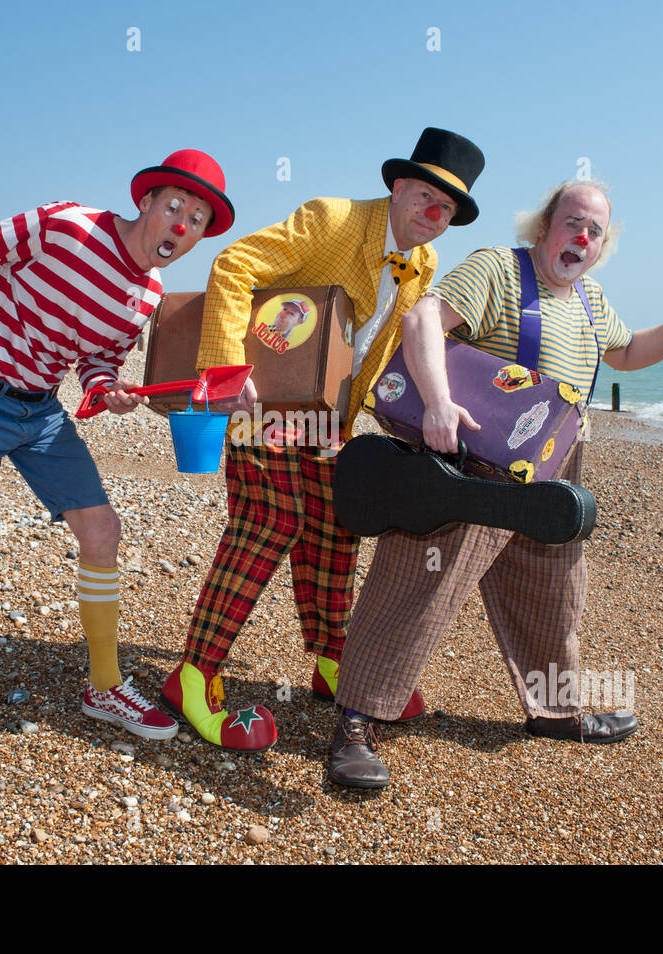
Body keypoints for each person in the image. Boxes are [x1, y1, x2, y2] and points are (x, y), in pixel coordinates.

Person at [328, 180, 663, 788]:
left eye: (595, 230)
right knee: (418, 582)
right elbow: (421, 321)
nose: (582, 236)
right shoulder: (498, 269)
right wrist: (439, 405)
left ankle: (555, 712)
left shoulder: (592, 300)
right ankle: (354, 724)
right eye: (572, 222)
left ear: (601, 244)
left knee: (552, 591)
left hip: (554, 461)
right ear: (544, 226)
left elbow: (626, 354)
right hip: (476, 454)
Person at [0, 149, 235, 740]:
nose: (182, 225)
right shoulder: (69, 225)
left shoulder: (147, 296)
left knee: (102, 530)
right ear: (146, 202)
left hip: (39, 412)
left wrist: (106, 390)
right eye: (174, 207)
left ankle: (105, 686)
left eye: (196, 220)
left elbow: (97, 360)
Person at [162, 128, 485, 750]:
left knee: (338, 526)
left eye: (447, 209)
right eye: (424, 197)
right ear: (396, 186)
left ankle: (332, 659)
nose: (433, 214)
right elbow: (234, 264)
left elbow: (383, 349)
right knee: (270, 522)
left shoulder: (424, 263)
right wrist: (227, 374)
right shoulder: (333, 219)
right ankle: (193, 675)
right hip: (262, 400)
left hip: (329, 419)